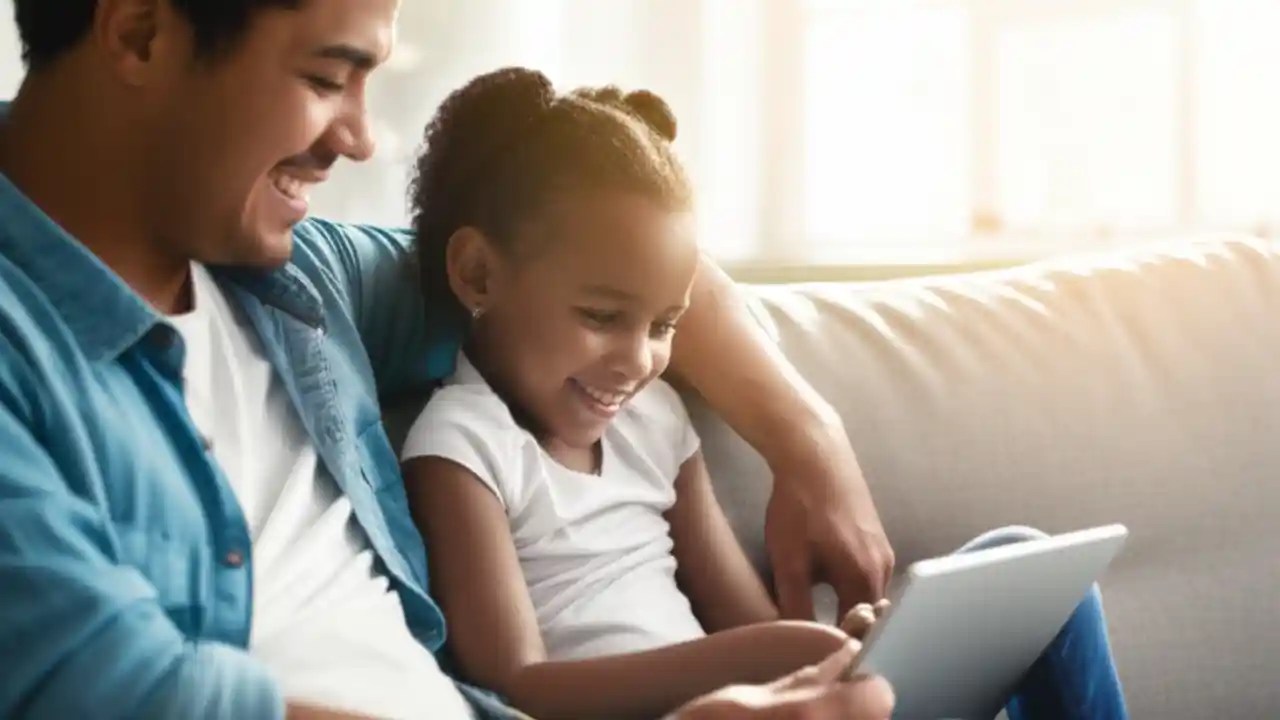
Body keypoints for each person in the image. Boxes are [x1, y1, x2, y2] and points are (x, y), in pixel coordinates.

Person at [0, 1, 892, 718]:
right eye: (324, 77)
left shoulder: (297, 273)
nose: (359, 137)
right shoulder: (24, 355)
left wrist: (811, 441)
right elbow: (124, 695)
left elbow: (614, 261)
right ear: (142, 33)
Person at [398, 69, 1130, 720]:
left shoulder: (652, 423)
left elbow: (744, 621)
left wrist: (836, 647)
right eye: (600, 317)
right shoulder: (462, 446)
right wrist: (768, 656)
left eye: (664, 325)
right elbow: (517, 685)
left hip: (770, 707)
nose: (637, 360)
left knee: (1024, 568)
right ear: (479, 275)